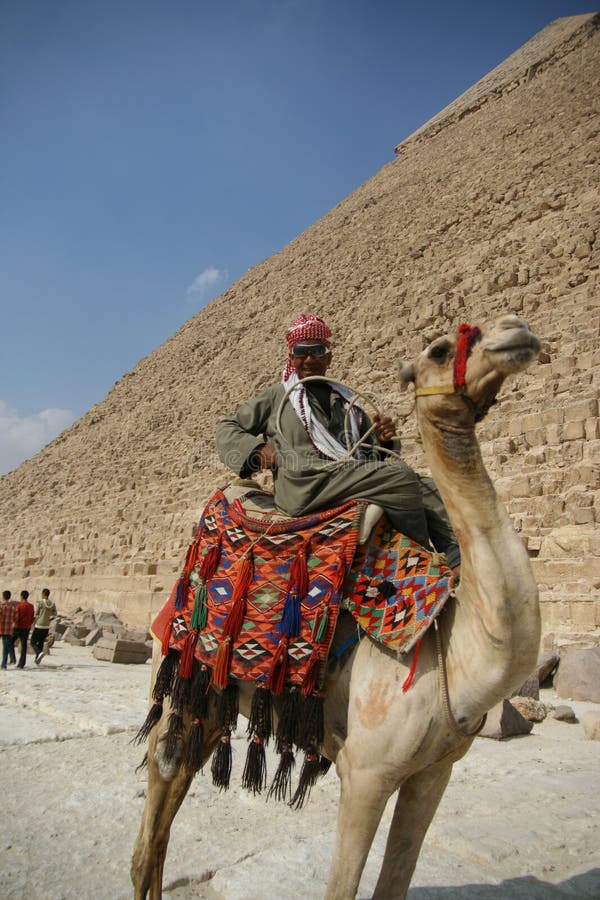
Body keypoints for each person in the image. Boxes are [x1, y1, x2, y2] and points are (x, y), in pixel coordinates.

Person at [216, 313, 460, 569]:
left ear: (329, 356)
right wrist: (257, 450)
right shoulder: (278, 396)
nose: (309, 358)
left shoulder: (346, 402)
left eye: (317, 350)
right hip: (305, 483)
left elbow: (367, 453)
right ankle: (416, 562)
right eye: (302, 351)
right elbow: (227, 427)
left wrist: (382, 439)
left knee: (426, 486)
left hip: (343, 477)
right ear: (291, 357)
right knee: (400, 475)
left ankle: (456, 557)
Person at [31, 588, 57, 665]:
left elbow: (36, 614)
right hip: (46, 625)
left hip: (39, 624)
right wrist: (49, 619)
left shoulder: (41, 603)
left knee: (33, 641)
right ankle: (37, 659)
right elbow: (55, 614)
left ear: (43, 594)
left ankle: (39, 653)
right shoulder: (52, 604)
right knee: (41, 642)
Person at [14, 590, 35, 669]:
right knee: (24, 645)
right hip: (26, 627)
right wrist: (29, 624)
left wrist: (15, 625)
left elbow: (17, 617)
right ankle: (21, 663)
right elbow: (32, 617)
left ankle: (13, 659)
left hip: (18, 627)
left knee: (10, 642)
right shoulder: (31, 606)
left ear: (21, 596)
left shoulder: (19, 606)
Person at [1, 590, 16, 670]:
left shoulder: (1, 605)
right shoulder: (13, 607)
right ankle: (4, 665)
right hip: (8, 629)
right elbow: (15, 618)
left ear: (3, 596)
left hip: (1, 628)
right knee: (6, 648)